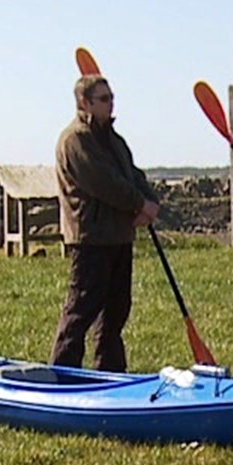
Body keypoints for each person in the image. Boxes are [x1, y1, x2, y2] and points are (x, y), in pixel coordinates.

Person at [51, 75, 159, 372]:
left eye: (112, 98)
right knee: (81, 310)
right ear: (85, 102)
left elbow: (133, 176)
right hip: (91, 237)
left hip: (118, 237)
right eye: (104, 99)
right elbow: (105, 184)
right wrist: (139, 204)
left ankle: (110, 373)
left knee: (115, 313)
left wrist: (151, 203)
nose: (111, 104)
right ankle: (61, 372)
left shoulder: (113, 140)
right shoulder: (75, 140)